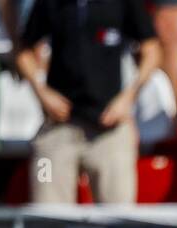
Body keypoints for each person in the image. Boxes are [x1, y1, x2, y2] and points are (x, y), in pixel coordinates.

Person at [16, 0, 160, 203]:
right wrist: (42, 91)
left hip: (110, 128)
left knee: (119, 220)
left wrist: (128, 97)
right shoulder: (49, 3)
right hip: (58, 128)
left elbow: (152, 49)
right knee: (46, 211)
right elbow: (24, 51)